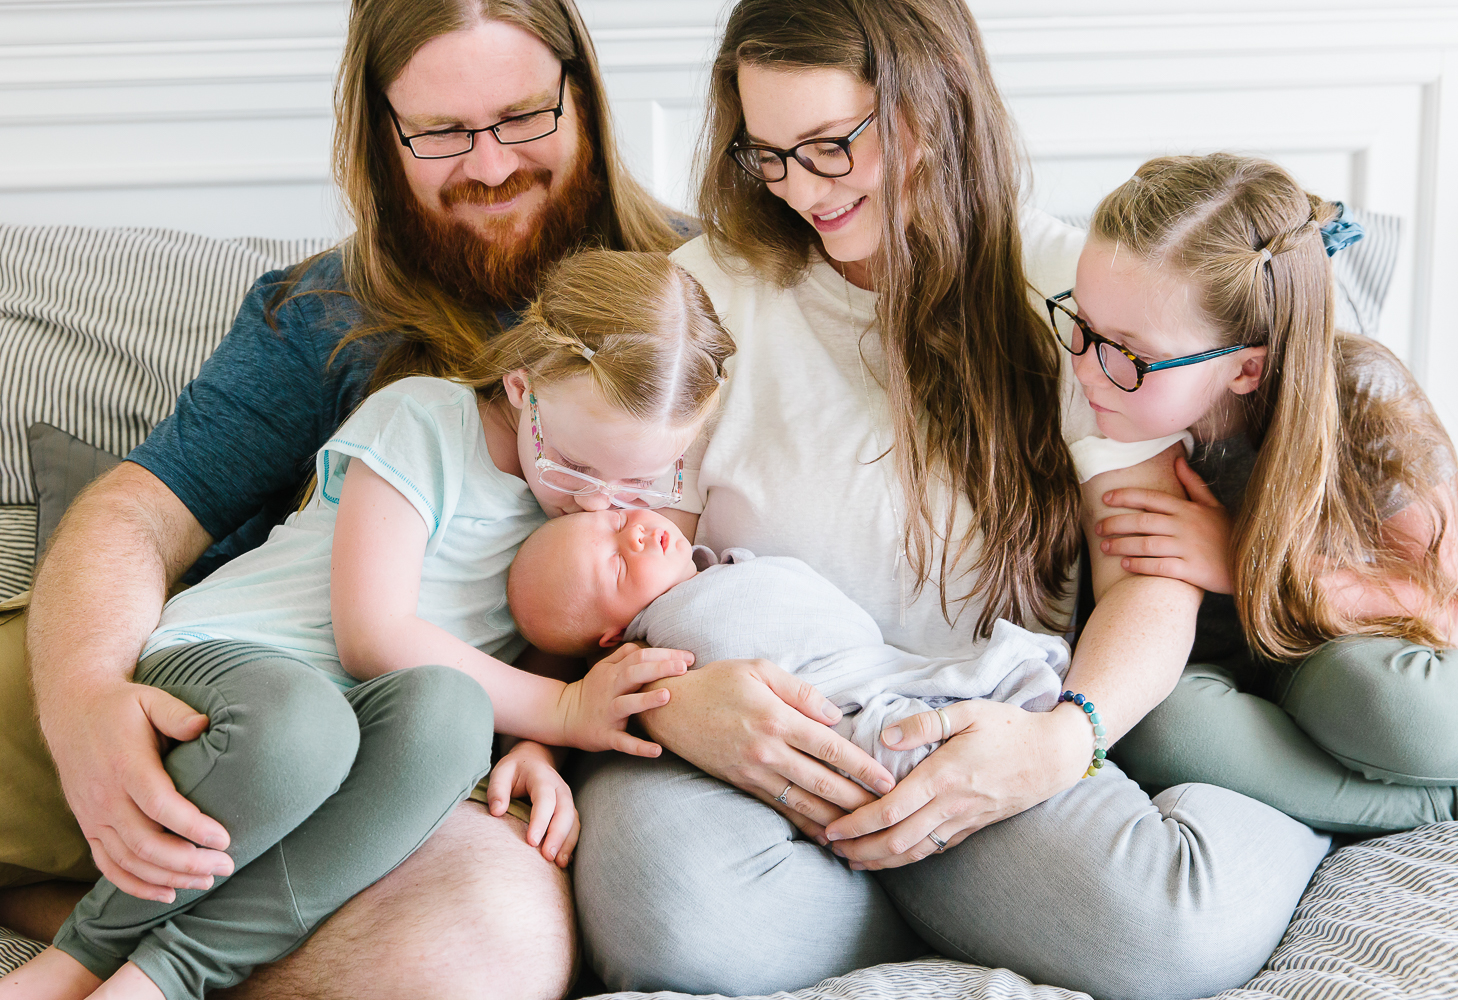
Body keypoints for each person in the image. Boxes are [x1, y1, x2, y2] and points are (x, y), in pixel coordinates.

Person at [569, 3, 1331, 999]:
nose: (802, 188)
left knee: (1172, 931)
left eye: (833, 145)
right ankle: (973, 904)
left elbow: (1150, 572)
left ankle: (945, 890)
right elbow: (621, 562)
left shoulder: (1073, 288)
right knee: (662, 916)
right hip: (753, 747)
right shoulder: (699, 295)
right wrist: (676, 707)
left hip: (980, 738)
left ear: (933, 102)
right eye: (770, 155)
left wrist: (1064, 740)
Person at [0, 1, 686, 996]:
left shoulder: (704, 299)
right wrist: (84, 702)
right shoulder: (329, 313)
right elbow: (136, 509)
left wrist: (556, 728)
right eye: (442, 132)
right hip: (258, 712)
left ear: (584, 94)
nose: (490, 165)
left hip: (436, 751)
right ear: (379, 129)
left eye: (525, 116)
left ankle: (118, 942)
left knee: (481, 940)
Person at [1054, 153, 1458, 834]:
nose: (1085, 365)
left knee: (1381, 703)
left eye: (1128, 352)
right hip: (1234, 690)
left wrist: (1243, 562)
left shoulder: (1364, 404)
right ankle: (1441, 801)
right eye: (1080, 325)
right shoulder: (1111, 428)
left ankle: (1455, 790)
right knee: (1161, 729)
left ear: (1247, 368)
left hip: (1336, 654)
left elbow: (1450, 615)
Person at [506, 509, 1070, 784]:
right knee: (895, 738)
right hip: (835, 704)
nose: (632, 534)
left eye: (615, 517)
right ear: (612, 637)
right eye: (615, 565)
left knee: (990, 678)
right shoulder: (653, 650)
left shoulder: (720, 565)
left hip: (876, 661)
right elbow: (620, 701)